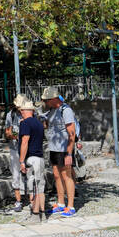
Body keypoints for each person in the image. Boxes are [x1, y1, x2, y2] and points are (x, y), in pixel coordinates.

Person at [41, 87, 79, 217]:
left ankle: (71, 206)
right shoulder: (52, 110)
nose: (45, 102)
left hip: (64, 149)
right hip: (53, 148)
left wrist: (69, 153)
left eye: (47, 100)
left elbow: (72, 133)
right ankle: (61, 203)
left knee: (66, 176)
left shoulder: (66, 110)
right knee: (57, 176)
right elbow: (48, 126)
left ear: (54, 99)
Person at [16, 97, 47, 219]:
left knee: (33, 187)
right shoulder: (39, 123)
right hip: (40, 157)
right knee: (40, 187)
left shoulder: (25, 123)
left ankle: (35, 214)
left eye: (21, 111)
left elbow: (25, 142)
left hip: (31, 159)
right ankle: (43, 213)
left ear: (24, 111)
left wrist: (21, 161)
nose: (20, 113)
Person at [5, 95, 33, 212]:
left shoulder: (30, 114)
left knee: (31, 173)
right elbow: (7, 132)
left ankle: (32, 200)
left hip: (29, 148)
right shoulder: (10, 115)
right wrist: (15, 136)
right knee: (15, 174)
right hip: (15, 148)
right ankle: (18, 201)